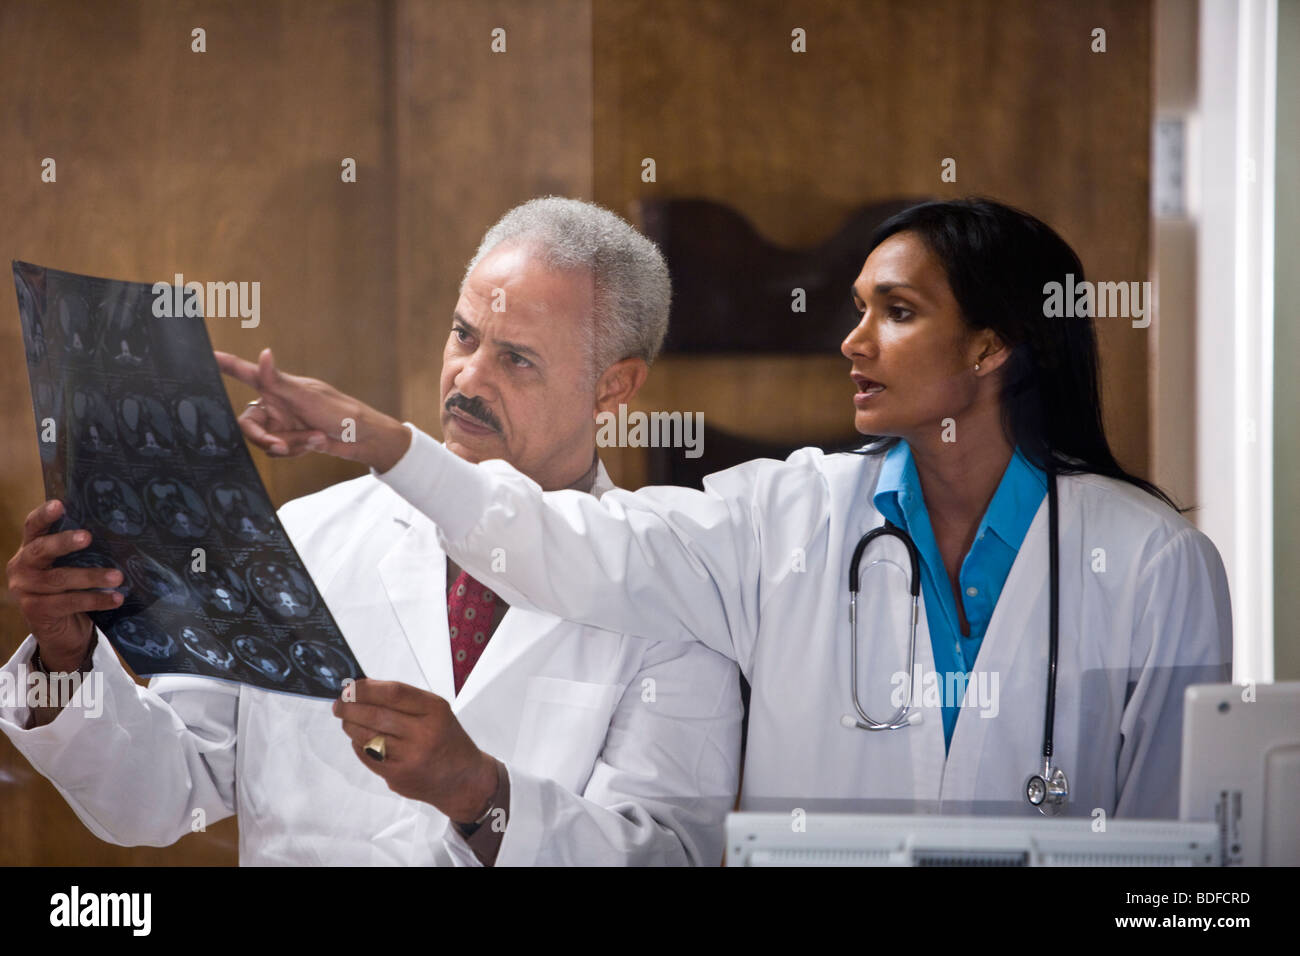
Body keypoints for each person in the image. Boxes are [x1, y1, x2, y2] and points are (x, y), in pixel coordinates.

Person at [215, 198, 1232, 820]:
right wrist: (382, 441)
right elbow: (557, 543)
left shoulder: (1150, 562)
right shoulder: (783, 516)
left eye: (898, 311)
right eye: (856, 307)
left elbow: (1183, 851)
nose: (852, 340)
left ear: (991, 346)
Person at [0, 197, 743, 865]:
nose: (468, 380)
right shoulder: (303, 538)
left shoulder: (676, 597)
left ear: (614, 387)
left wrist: (479, 794)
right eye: (464, 335)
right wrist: (68, 661)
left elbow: (666, 855)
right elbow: (162, 795)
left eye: (515, 358)